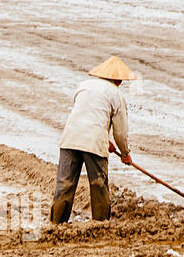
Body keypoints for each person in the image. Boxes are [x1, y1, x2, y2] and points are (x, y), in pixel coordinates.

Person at [50, 56, 134, 224]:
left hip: (70, 138)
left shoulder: (84, 86)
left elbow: (86, 114)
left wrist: (105, 139)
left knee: (64, 184)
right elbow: (120, 132)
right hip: (94, 143)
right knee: (98, 185)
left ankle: (56, 223)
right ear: (118, 80)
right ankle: (100, 223)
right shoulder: (116, 94)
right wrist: (125, 153)